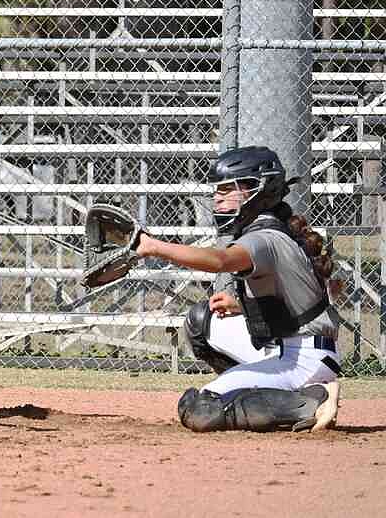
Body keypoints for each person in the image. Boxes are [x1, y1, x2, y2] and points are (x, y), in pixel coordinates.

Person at [135, 146, 341, 432]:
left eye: (227, 190)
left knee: (199, 410)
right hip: (283, 347)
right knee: (201, 321)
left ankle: (310, 400)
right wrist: (241, 305)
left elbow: (220, 261)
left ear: (259, 191)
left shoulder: (265, 238)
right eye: (217, 191)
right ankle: (253, 391)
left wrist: (154, 247)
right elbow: (292, 300)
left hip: (303, 359)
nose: (218, 199)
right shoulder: (268, 230)